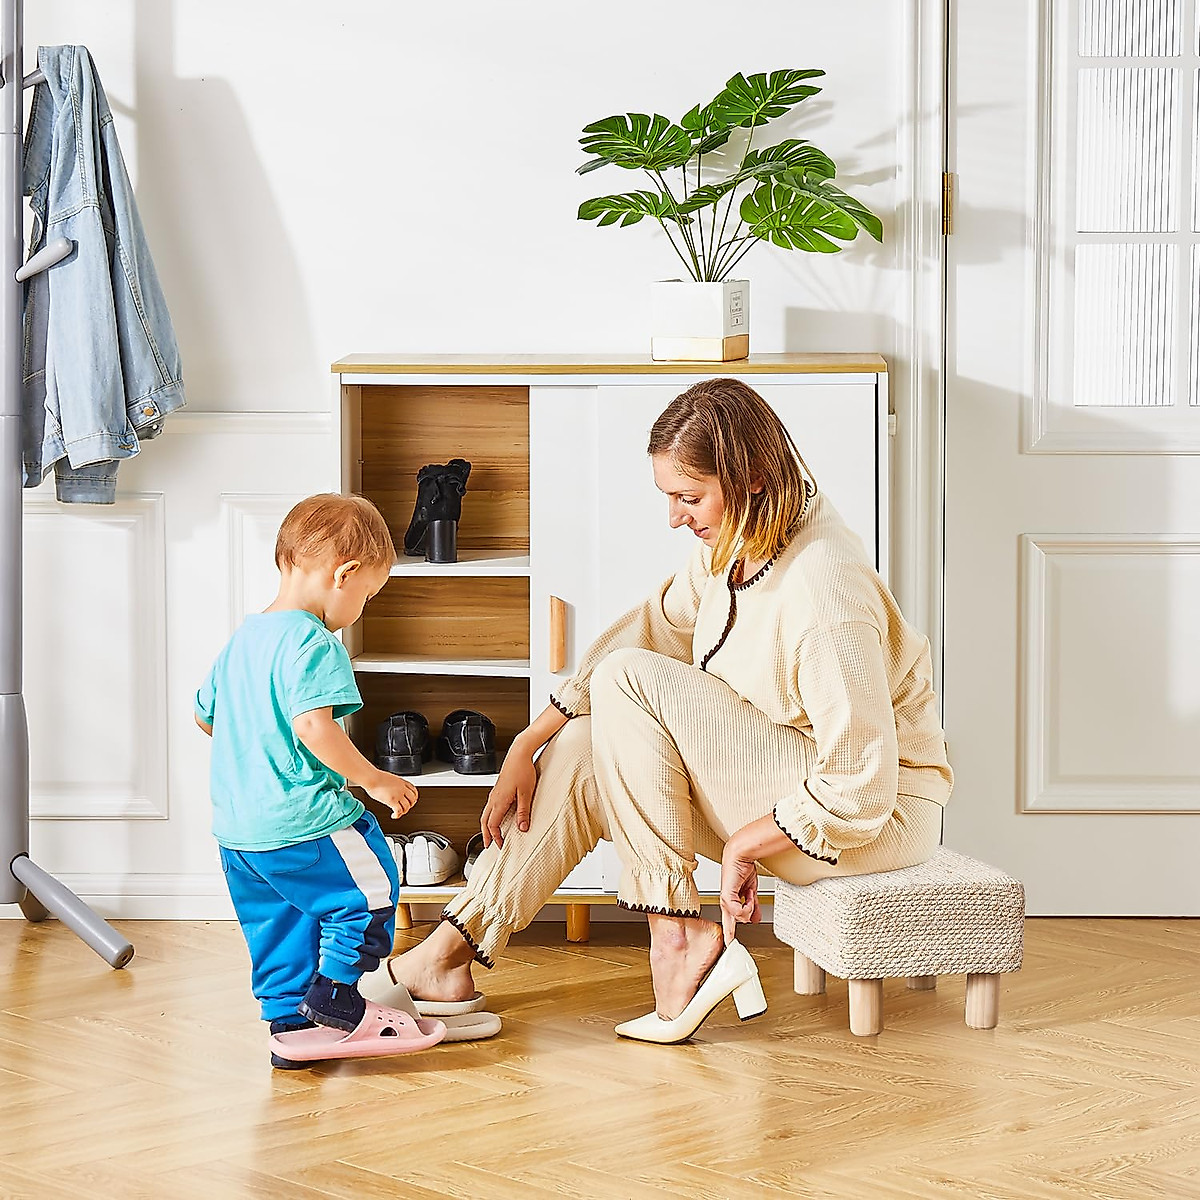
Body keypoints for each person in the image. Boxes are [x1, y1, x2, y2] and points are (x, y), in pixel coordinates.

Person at [386, 378, 954, 1043]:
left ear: (754, 479)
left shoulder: (824, 588)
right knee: (581, 747)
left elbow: (862, 784)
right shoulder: (738, 546)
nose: (676, 519)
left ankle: (680, 938)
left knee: (629, 683)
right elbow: (652, 628)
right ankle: (446, 957)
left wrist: (748, 840)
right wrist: (529, 740)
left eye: (689, 498)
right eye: (669, 498)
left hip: (870, 823)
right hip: (796, 780)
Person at [194, 493, 420, 1066]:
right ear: (344, 575)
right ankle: (338, 998)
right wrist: (373, 778)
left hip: (239, 833)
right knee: (369, 894)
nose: (361, 607)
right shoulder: (314, 642)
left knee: (278, 923)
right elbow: (315, 726)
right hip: (304, 821)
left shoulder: (244, 639)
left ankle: (291, 1025)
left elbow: (205, 716)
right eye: (367, 595)